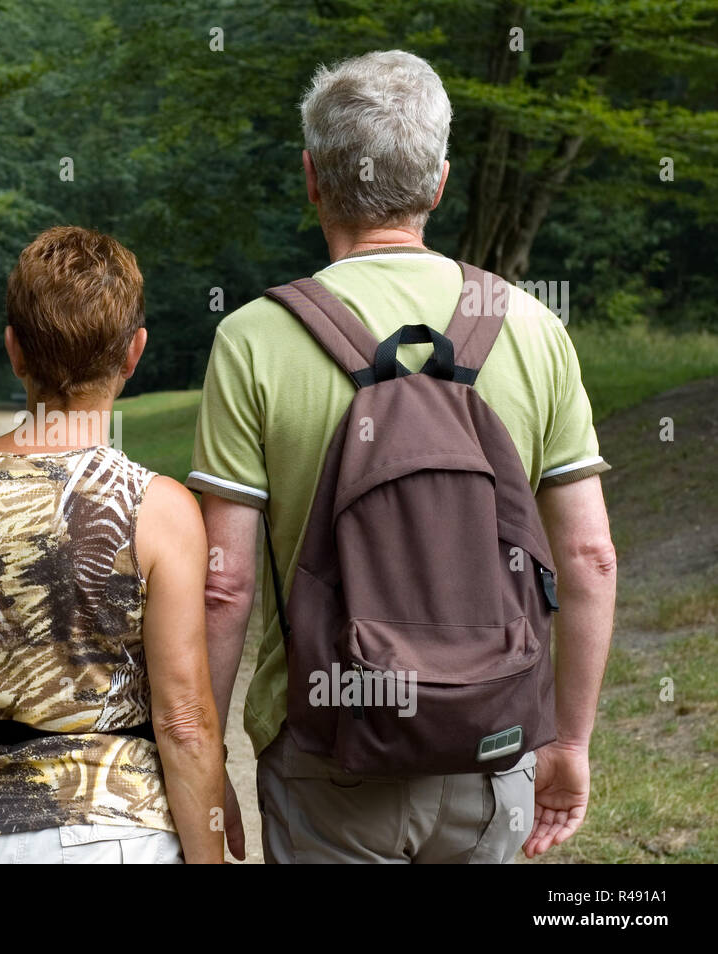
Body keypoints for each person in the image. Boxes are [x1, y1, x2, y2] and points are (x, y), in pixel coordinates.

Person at [186, 50, 617, 863]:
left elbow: (223, 585)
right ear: (440, 182)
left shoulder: (254, 338)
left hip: (327, 742)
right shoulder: (529, 326)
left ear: (312, 178)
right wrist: (570, 741)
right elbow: (590, 557)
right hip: (493, 744)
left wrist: (202, 763)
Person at [0, 225, 225, 864]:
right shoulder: (159, 510)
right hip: (119, 832)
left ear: (14, 350)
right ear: (134, 353)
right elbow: (183, 723)